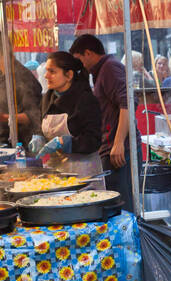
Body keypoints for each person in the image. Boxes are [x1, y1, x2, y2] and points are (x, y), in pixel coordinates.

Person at [70, 34, 131, 198]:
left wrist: (118, 143)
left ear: (88, 53)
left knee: (121, 203)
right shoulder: (99, 71)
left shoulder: (110, 68)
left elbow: (128, 103)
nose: (79, 66)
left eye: (79, 60)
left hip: (119, 150)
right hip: (109, 147)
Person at [37, 51, 102, 170]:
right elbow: (40, 124)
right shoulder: (47, 98)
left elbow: (94, 140)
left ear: (69, 75)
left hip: (83, 170)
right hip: (55, 169)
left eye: (52, 71)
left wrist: (67, 142)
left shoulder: (85, 100)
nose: (46, 75)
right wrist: (39, 137)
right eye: (46, 71)